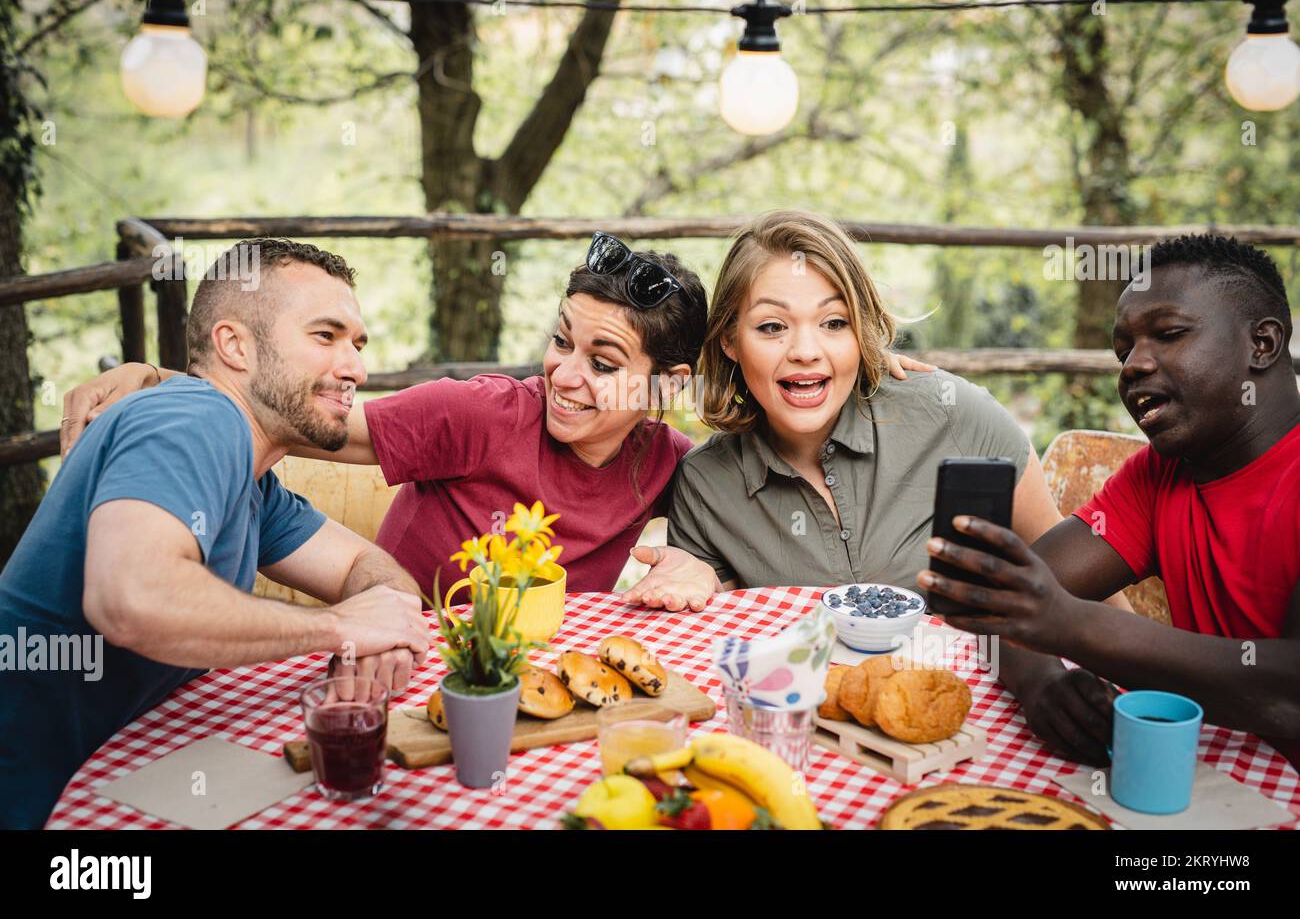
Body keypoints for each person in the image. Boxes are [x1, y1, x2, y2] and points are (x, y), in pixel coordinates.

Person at [62, 231, 936, 612]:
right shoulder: (477, 413)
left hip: (541, 695)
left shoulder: (672, 463)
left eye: (602, 363)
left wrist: (876, 375)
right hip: (402, 665)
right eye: (560, 343)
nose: (563, 374)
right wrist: (174, 378)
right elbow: (304, 420)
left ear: (662, 388)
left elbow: (761, 420)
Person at [0, 239, 430, 829]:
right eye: (325, 337)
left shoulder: (251, 476)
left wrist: (382, 624)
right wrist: (338, 627)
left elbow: (367, 567)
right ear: (234, 346)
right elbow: (130, 599)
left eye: (356, 345)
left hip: (135, 778)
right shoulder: (196, 421)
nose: (355, 367)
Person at [920, 234, 1300, 771]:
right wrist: (1042, 681)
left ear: (1262, 343)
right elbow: (1004, 599)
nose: (1133, 366)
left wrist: (1070, 624)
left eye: (1168, 334)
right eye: (1124, 350)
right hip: (1212, 781)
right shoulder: (1160, 475)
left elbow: (1290, 693)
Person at [624, 210, 1127, 612]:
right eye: (773, 326)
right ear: (731, 340)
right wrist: (696, 584)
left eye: (834, 322)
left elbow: (1089, 592)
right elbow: (728, 638)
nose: (805, 350)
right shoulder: (707, 484)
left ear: (861, 330)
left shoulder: (954, 416)